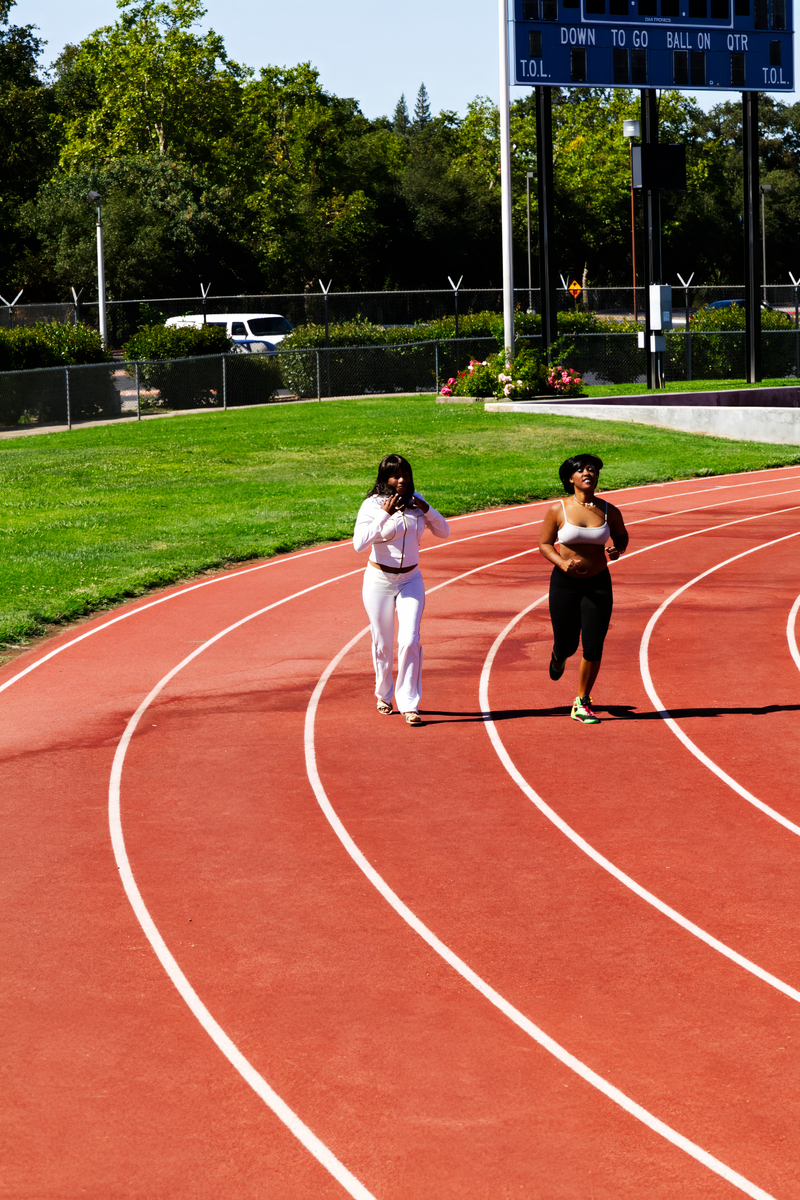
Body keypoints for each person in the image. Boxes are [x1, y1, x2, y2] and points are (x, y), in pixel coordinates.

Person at [353, 454, 449, 725]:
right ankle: (384, 694)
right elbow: (359, 544)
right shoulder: (372, 505)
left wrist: (428, 509)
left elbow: (444, 532)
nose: (402, 480)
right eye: (395, 475)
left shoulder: (416, 501)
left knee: (410, 640)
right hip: (379, 580)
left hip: (411, 580)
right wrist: (384, 514)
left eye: (405, 474)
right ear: (385, 478)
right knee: (382, 643)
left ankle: (409, 703)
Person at [538, 453, 629, 725]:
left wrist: (618, 549)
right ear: (571, 478)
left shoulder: (609, 510)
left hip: (598, 583)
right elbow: (544, 544)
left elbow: (621, 537)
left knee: (593, 645)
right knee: (567, 643)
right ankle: (558, 655)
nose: (589, 473)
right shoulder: (558, 510)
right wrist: (562, 563)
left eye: (593, 469)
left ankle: (582, 701)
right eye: (582, 470)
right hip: (565, 583)